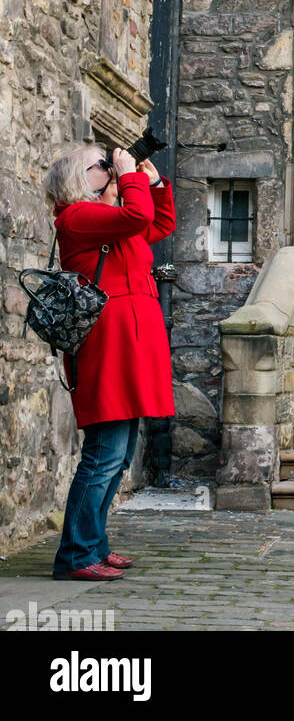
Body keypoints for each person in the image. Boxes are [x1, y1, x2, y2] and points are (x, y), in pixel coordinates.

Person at [44, 142, 176, 581]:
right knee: (102, 455)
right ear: (78, 179)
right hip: (108, 347)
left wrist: (152, 182)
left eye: (109, 162)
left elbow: (157, 223)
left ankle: (93, 544)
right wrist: (128, 176)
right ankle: (76, 556)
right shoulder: (77, 217)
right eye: (99, 165)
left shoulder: (108, 223)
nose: (109, 167)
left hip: (130, 344)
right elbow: (136, 217)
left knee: (116, 458)